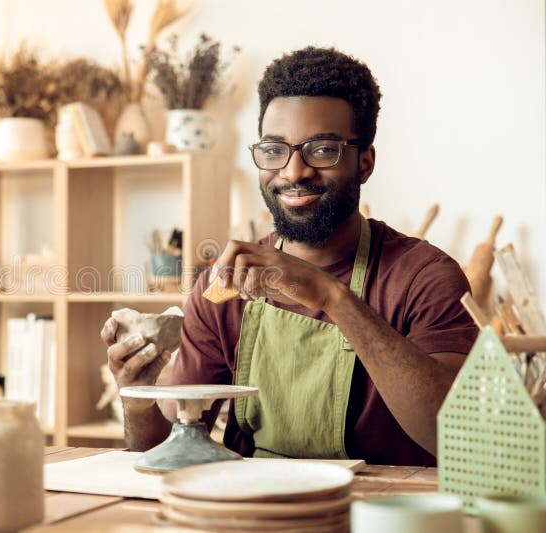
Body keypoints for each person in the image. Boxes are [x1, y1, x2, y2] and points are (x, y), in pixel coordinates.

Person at [100, 46, 478, 466]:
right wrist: (137, 403)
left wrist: (333, 298)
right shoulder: (224, 284)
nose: (293, 171)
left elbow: (456, 437)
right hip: (256, 513)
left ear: (365, 163)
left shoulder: (424, 277)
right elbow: (172, 454)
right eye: (274, 149)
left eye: (321, 149)